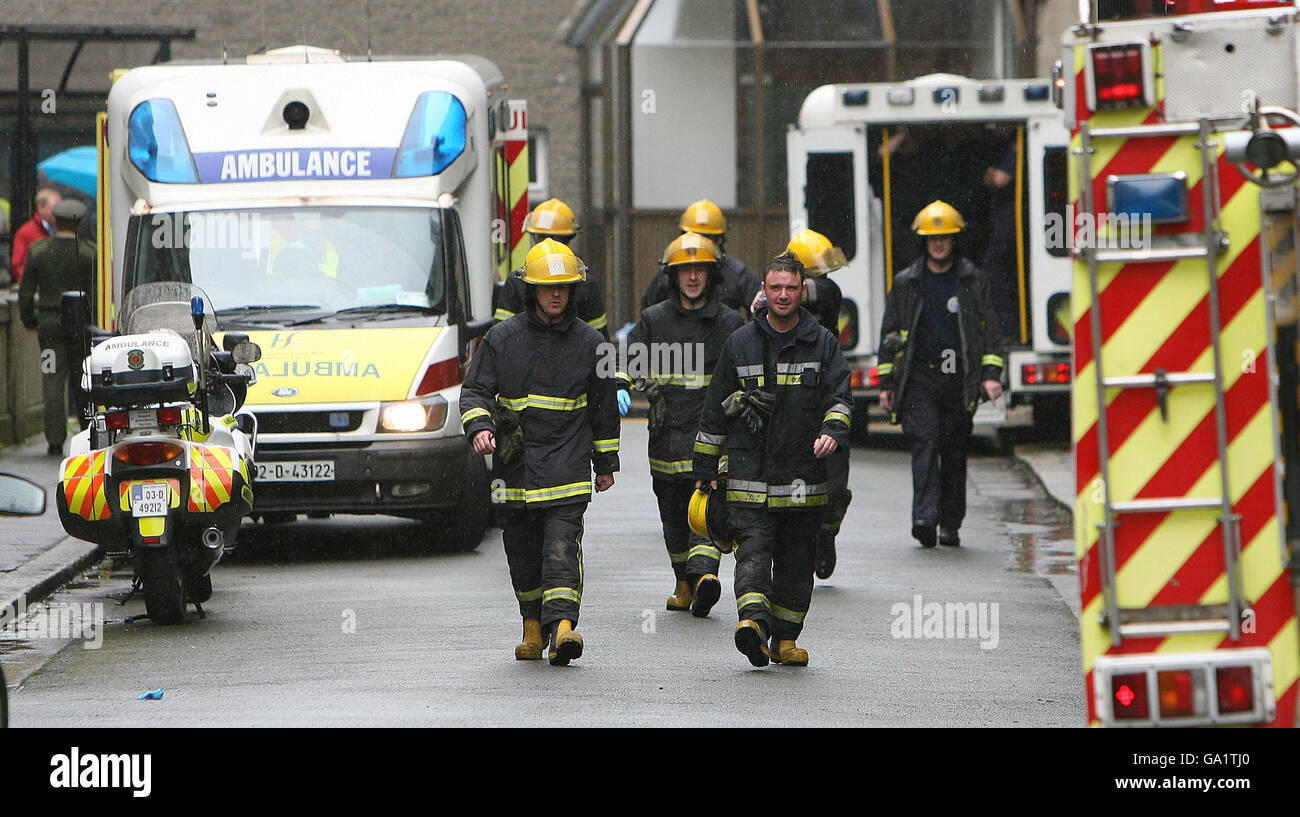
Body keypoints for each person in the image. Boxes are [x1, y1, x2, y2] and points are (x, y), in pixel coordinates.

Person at [460, 238, 620, 666]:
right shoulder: (501, 339)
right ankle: (533, 625)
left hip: (566, 466)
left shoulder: (592, 344)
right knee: (522, 552)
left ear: (573, 292)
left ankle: (565, 627)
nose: (555, 294)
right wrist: (480, 426)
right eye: (548, 287)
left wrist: (605, 463)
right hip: (514, 468)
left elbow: (604, 407)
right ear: (531, 290)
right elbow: (475, 390)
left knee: (561, 548)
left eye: (564, 287)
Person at [693, 252, 853, 668]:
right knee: (753, 554)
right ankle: (752, 624)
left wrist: (831, 431)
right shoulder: (740, 343)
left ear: (803, 291)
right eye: (775, 287)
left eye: (791, 288)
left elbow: (839, 396)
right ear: (763, 291)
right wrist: (705, 470)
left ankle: (785, 640)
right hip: (749, 479)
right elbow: (713, 411)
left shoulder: (823, 344)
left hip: (804, 479)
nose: (783, 295)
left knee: (797, 564)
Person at [617, 233, 743, 617]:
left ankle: (704, 575)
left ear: (711, 274)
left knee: (707, 504)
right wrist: (622, 384)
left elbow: (746, 369)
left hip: (711, 435)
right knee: (672, 514)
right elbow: (626, 359)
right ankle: (684, 582)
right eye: (685, 270)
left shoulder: (729, 322)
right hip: (668, 434)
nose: (692, 277)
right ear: (673, 276)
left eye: (699, 269)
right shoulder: (655, 320)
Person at [877, 201, 1005, 549]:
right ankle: (924, 518)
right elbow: (890, 334)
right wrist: (886, 383)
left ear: (954, 239)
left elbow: (990, 333)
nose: (938, 243)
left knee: (953, 450)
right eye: (932, 238)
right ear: (923, 241)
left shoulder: (972, 280)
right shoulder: (907, 282)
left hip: (959, 379)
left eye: (944, 237)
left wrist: (991, 374)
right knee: (924, 441)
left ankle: (950, 523)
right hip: (920, 377)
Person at [19, 199, 95, 456]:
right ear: (80, 223)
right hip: (81, 327)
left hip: (49, 326)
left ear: (54, 220)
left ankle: (54, 439)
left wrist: (30, 319)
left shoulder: (38, 251)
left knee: (51, 379)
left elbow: (26, 292)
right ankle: (87, 432)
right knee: (82, 378)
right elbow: (96, 293)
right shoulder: (88, 253)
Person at [493, 198, 608, 338]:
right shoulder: (517, 281)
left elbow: (598, 342)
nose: (548, 244)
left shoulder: (586, 284)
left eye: (563, 287)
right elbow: (500, 338)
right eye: (542, 237)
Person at [640, 198, 761, 318]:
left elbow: (759, 312)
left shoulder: (738, 274)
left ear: (720, 240)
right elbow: (648, 315)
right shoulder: (668, 274)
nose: (693, 277)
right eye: (696, 237)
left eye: (708, 238)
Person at [10, 188, 61, 285]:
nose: (58, 213)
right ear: (40, 208)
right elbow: (17, 265)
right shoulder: (25, 232)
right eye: (54, 208)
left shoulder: (62, 229)